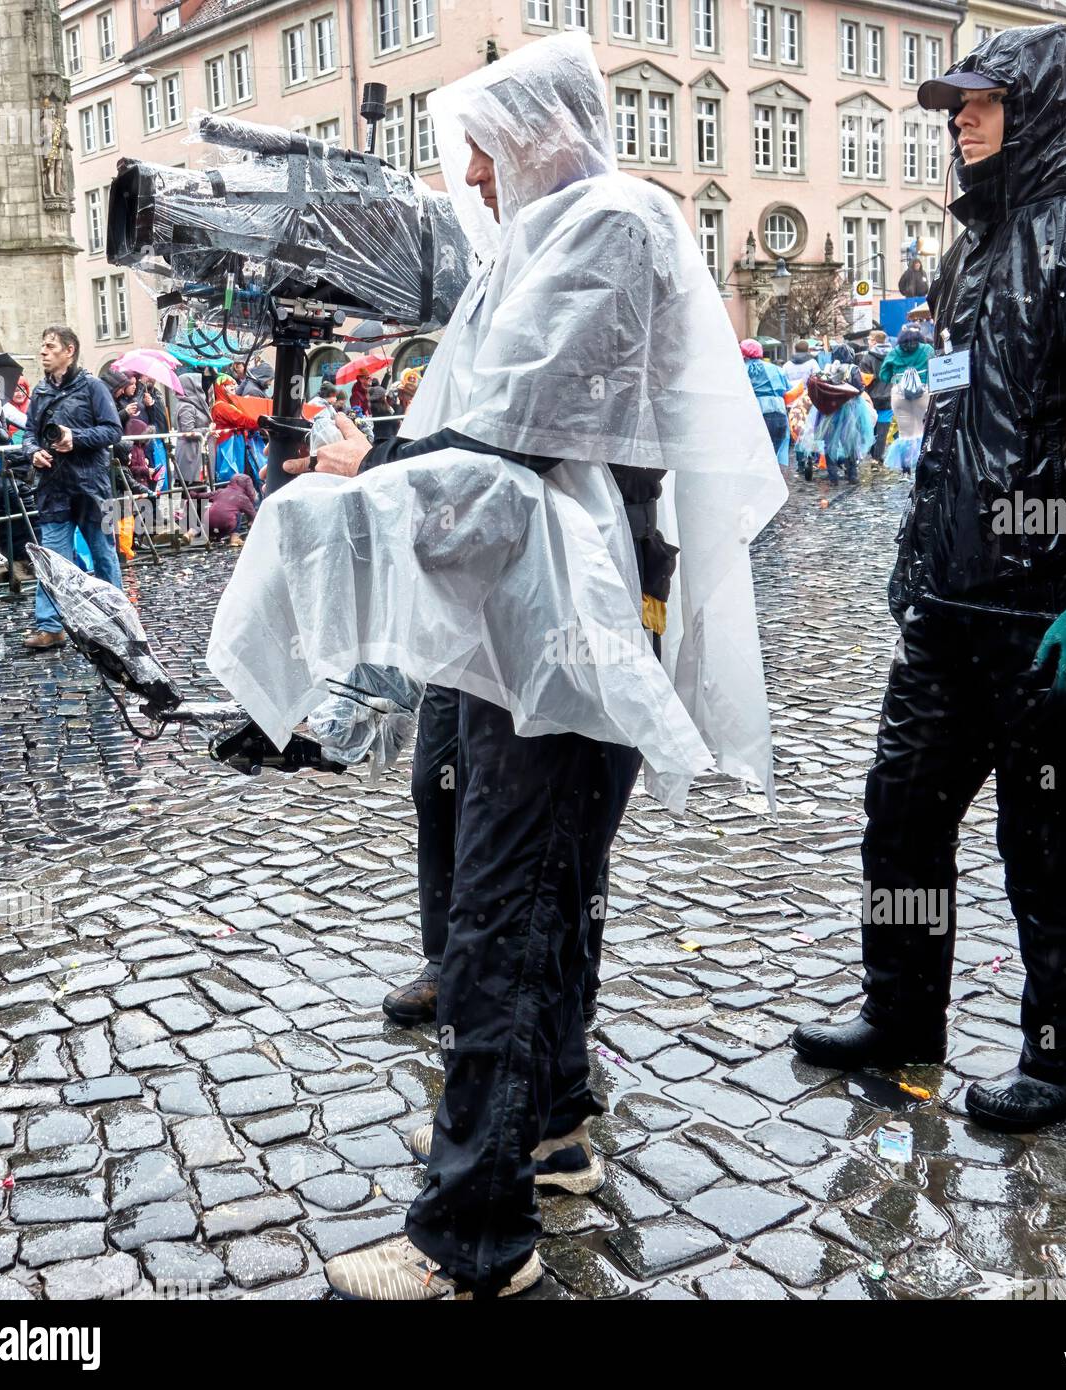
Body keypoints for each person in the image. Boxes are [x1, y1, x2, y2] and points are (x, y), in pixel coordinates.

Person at [220, 31, 782, 1298]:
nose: (469, 176)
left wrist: (371, 475)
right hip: (520, 631)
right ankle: (552, 1125)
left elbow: (515, 441)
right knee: (545, 888)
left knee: (504, 912)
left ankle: (473, 1236)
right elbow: (474, 435)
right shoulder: (545, 235)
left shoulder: (610, 226)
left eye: (480, 145)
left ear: (536, 132)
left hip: (573, 632)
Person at [791, 25, 1066, 1133]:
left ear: (1042, 107)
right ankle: (901, 1009)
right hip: (953, 606)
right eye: (951, 104)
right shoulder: (973, 250)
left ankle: (1065, 1063)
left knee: (1048, 842)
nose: (955, 120)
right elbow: (951, 430)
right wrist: (918, 573)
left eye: (978, 101)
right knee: (901, 819)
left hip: (1051, 610)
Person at [20, 326, 124, 651]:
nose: (43, 352)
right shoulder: (39, 392)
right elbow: (27, 435)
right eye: (42, 346)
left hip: (93, 487)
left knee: (104, 555)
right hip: (53, 489)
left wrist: (74, 438)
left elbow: (113, 431)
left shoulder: (94, 387)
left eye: (50, 346)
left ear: (70, 350)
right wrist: (32, 452)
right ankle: (50, 626)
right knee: (52, 561)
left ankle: (117, 622)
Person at [741, 338, 799, 462]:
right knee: (774, 455)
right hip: (779, 414)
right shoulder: (776, 369)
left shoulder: (742, 370)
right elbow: (788, 389)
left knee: (757, 455)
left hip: (756, 414)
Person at [858, 330, 895, 463]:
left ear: (874, 341)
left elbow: (863, 380)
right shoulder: (894, 356)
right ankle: (877, 457)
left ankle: (872, 454)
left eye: (869, 340)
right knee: (883, 428)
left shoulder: (867, 358)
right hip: (889, 397)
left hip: (871, 398)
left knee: (871, 427)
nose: (868, 342)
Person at [173, 373, 212, 486]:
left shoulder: (191, 404)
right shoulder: (187, 406)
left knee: (196, 492)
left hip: (194, 452)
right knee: (193, 492)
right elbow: (188, 430)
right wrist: (208, 430)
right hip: (189, 454)